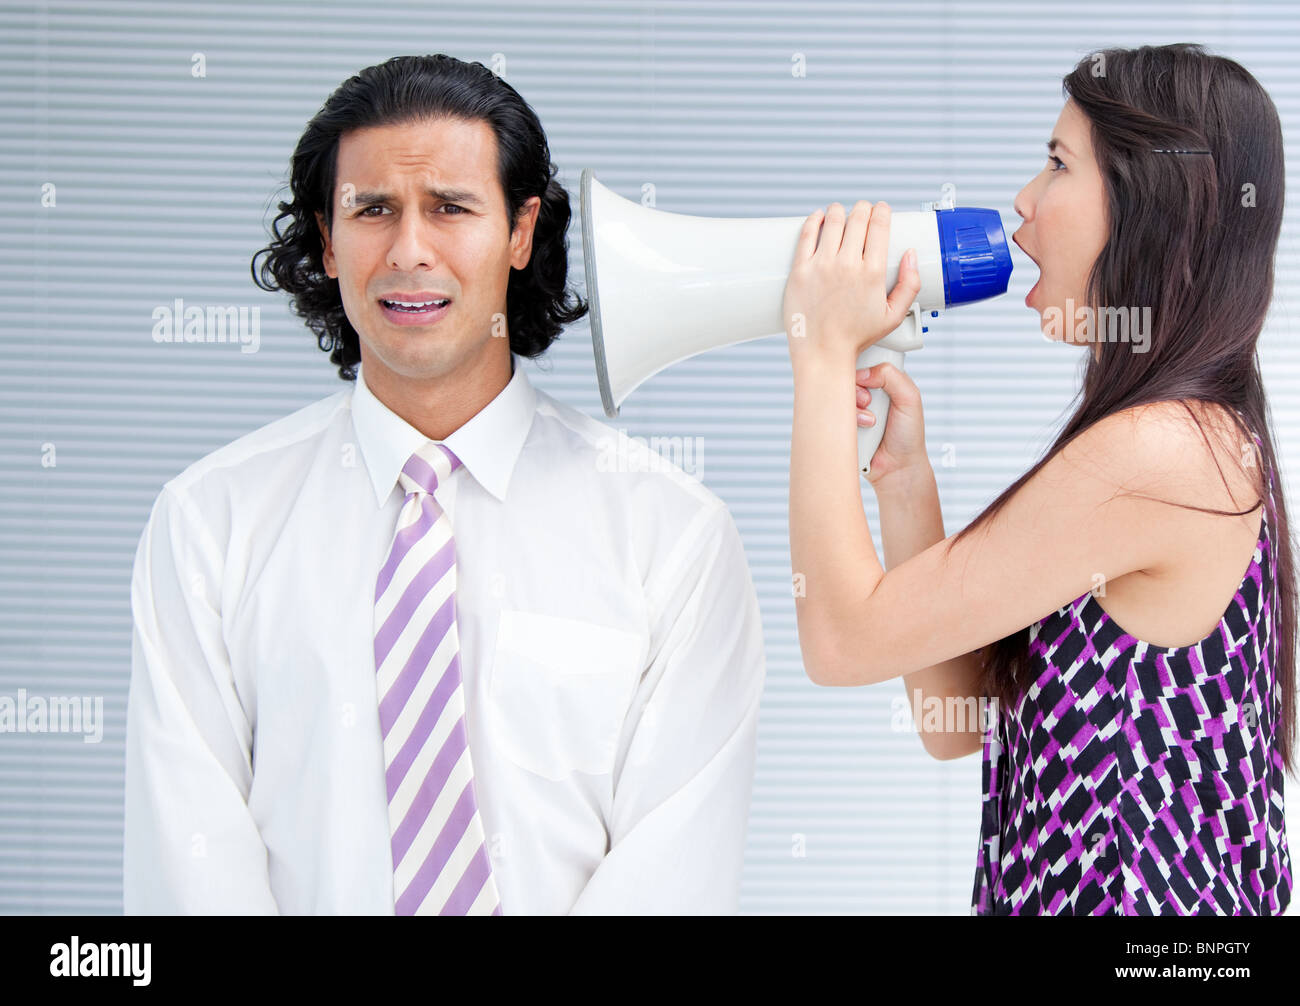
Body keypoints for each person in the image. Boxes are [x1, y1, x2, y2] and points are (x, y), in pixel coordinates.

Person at [123, 53, 765, 915]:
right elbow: (188, 868)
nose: (409, 250)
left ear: (521, 231)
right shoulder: (209, 523)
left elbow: (673, 869)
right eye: (372, 210)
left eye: (452, 208)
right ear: (326, 237)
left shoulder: (671, 535)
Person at [781, 43, 1293, 914]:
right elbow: (956, 716)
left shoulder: (1158, 454)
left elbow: (839, 642)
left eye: (1059, 163)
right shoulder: (1188, 439)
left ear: (1149, 203)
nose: (1023, 199)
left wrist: (822, 351)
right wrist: (906, 484)